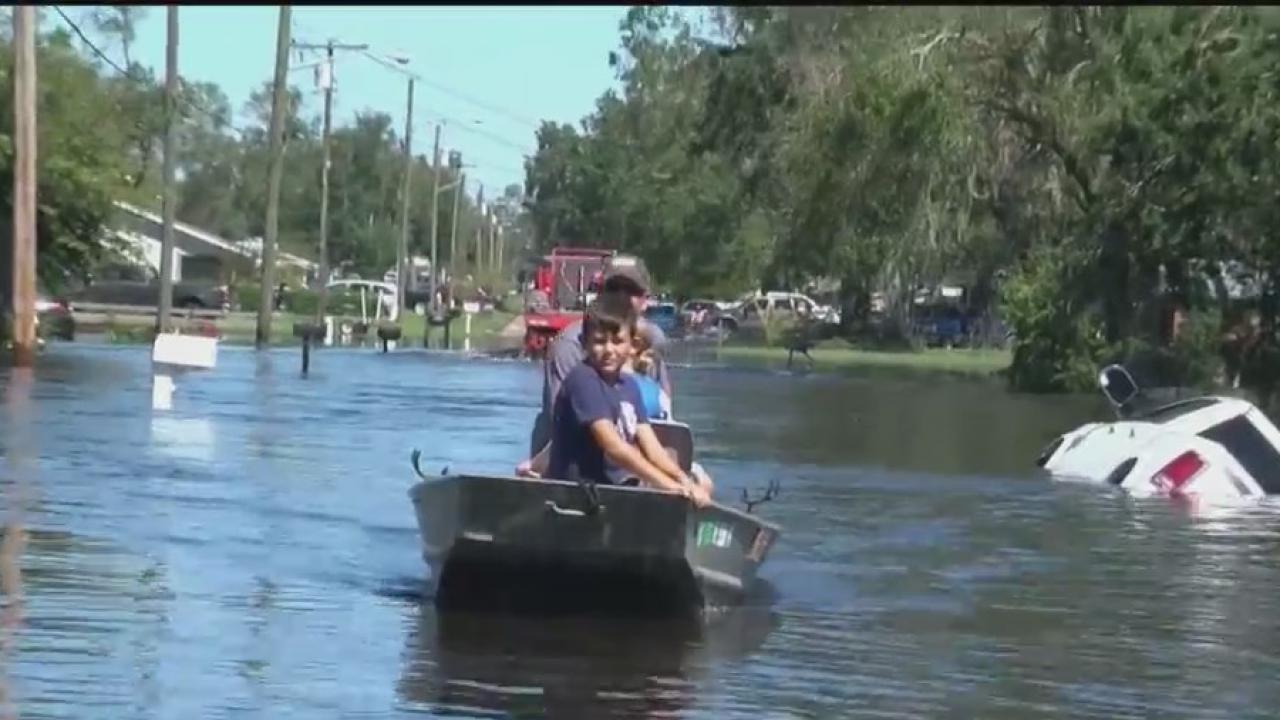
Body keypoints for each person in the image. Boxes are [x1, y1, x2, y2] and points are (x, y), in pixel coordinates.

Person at [537, 292, 711, 505]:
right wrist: (670, 487)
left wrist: (684, 480)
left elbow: (652, 448)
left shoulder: (629, 386)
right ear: (584, 343)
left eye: (618, 341)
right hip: (576, 498)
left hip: (609, 494)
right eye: (599, 341)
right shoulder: (584, 380)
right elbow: (614, 447)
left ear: (632, 345)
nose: (609, 350)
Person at [527, 260, 672, 458]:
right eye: (613, 289)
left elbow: (665, 415)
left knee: (701, 479)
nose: (622, 297)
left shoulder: (653, 341)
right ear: (600, 295)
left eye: (631, 291)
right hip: (563, 453)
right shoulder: (570, 345)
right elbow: (561, 421)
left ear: (645, 300)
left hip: (637, 452)